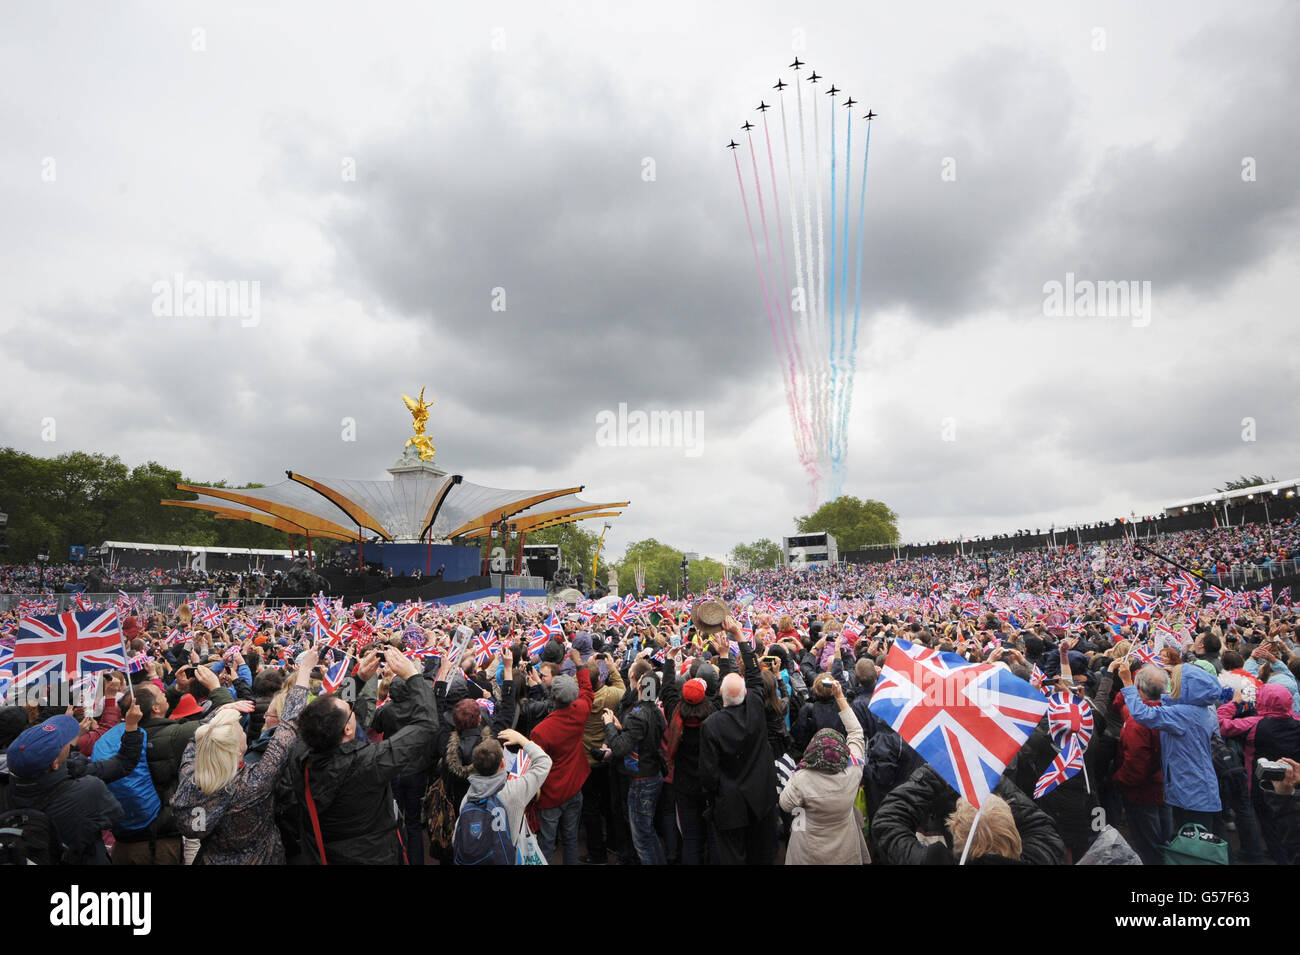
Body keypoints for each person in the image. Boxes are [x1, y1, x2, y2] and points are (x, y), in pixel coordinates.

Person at [283, 646, 436, 864]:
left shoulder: (301, 750)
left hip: (327, 852)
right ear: (348, 729)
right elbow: (426, 725)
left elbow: (328, 713)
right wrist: (412, 675)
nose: (350, 706)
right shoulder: (367, 762)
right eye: (349, 709)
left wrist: (359, 678)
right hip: (372, 855)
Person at [171, 648, 315, 865]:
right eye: (237, 728)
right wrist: (304, 673)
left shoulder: (190, 775)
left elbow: (196, 740)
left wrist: (221, 710)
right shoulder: (254, 782)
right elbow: (288, 727)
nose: (241, 728)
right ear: (236, 749)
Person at [5, 707, 142, 864]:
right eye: (63, 743)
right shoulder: (87, 790)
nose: (68, 741)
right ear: (55, 763)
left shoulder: (6, 792)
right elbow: (117, 814)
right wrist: (131, 727)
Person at [698, 616, 778, 865]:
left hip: (730, 805)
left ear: (720, 694)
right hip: (761, 799)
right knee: (763, 855)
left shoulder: (711, 725)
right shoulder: (755, 704)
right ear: (746, 693)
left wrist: (724, 655)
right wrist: (739, 636)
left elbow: (708, 774)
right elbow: (754, 674)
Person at [1118, 660, 1222, 831]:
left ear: (1188, 688)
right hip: (1197, 787)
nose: (1171, 683)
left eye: (1175, 681)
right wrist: (1165, 678)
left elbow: (1142, 713)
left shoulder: (1184, 714)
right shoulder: (1200, 707)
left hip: (1192, 792)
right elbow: (1168, 700)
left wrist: (1128, 683)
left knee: (1194, 848)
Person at [778, 679, 869, 865]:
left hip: (809, 849)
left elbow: (786, 804)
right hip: (845, 847)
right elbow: (856, 732)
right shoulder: (853, 770)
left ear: (812, 750)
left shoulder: (802, 777)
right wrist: (840, 698)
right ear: (842, 750)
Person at [602, 655, 667, 865]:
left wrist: (609, 725)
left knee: (642, 837)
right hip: (652, 773)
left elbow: (620, 748)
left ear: (639, 685)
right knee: (647, 832)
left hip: (641, 780)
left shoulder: (638, 715)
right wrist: (624, 729)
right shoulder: (654, 710)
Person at [530, 647, 593, 864]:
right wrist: (580, 664)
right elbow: (587, 690)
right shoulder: (582, 709)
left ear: (553, 696)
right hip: (574, 788)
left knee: (546, 843)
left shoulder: (541, 731)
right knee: (570, 839)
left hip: (551, 795)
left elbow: (536, 767)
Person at [456, 728, 552, 863]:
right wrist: (522, 739)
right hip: (505, 857)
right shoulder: (515, 791)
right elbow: (544, 762)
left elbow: (458, 836)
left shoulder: (468, 796)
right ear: (503, 763)